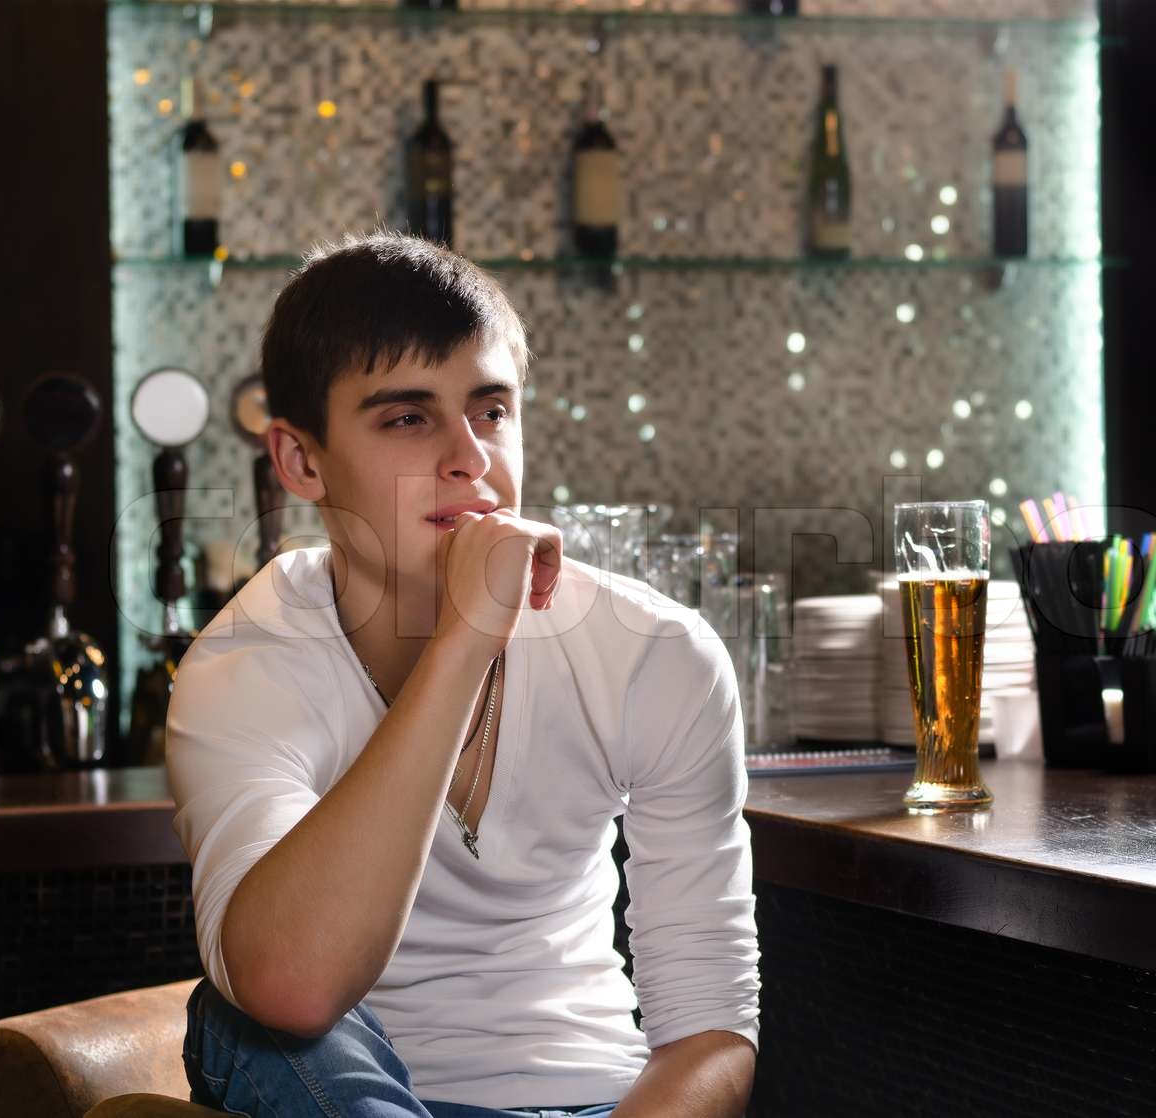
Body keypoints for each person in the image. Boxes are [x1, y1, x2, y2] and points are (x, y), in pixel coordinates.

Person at [166, 230, 760, 1117]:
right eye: (408, 418)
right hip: (363, 1098)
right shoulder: (246, 664)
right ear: (300, 461)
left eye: (491, 412)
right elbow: (292, 983)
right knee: (244, 1015)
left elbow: (711, 1032)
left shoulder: (653, 651)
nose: (471, 459)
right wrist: (464, 640)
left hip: (600, 1107)